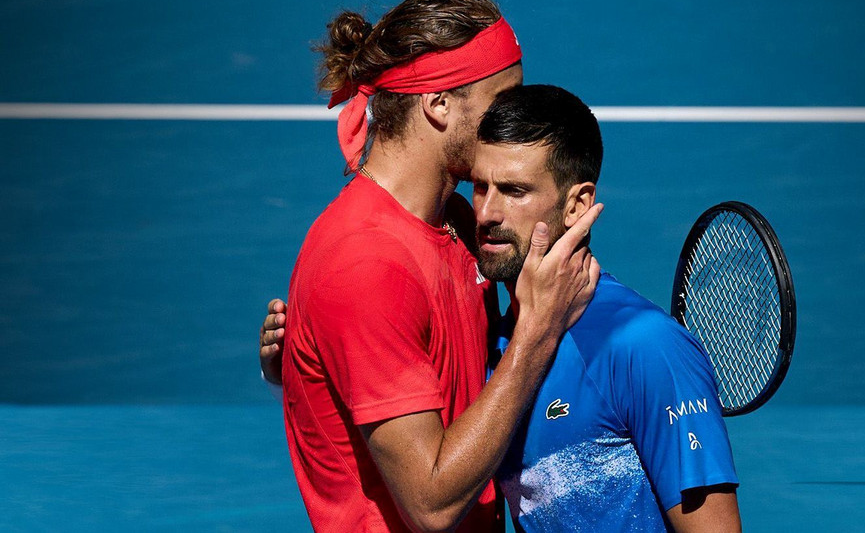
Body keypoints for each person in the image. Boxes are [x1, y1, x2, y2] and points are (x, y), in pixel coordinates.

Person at [264, 85, 742, 531]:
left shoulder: (645, 348)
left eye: (515, 191)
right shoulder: (498, 341)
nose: (487, 213)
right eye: (479, 185)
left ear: (577, 205)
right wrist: (300, 359)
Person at [276, 0, 603, 533]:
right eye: (502, 100)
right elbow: (430, 505)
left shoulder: (455, 218)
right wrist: (536, 334)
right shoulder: (366, 264)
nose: (514, 118)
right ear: (439, 104)